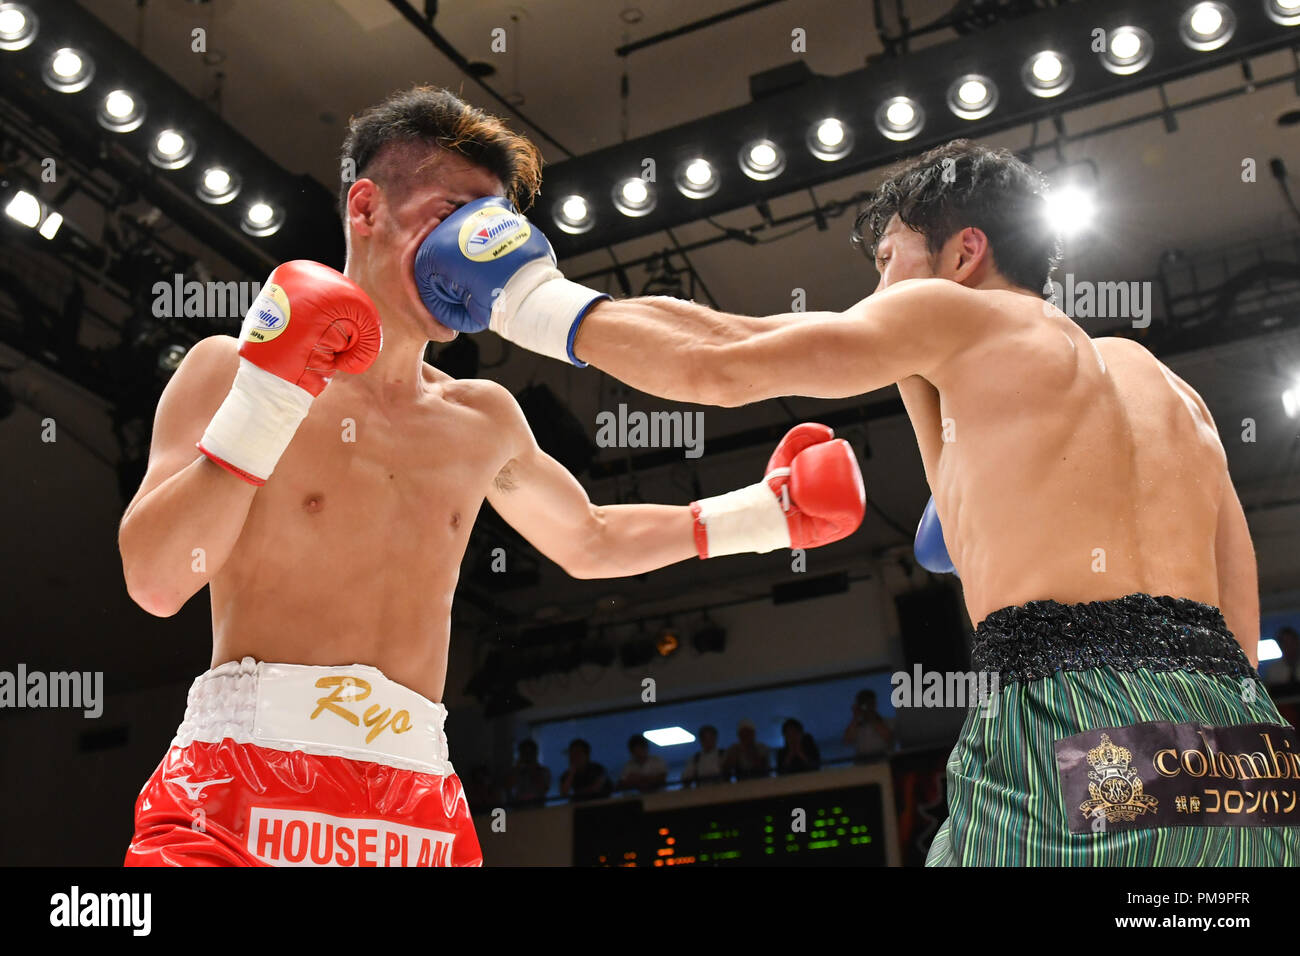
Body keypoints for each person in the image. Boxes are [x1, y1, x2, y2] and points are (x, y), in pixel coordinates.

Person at [425, 137, 1300, 864]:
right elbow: (1238, 613)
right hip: (1245, 750)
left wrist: (530, 303)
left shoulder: (959, 320)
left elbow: (726, 359)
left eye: (889, 263)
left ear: (965, 253)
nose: (877, 296)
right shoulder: (1170, 390)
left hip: (1076, 724)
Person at [117, 86, 865, 867]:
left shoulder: (482, 417)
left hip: (412, 797)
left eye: (493, 222)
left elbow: (591, 539)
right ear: (366, 209)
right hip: (241, 783)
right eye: (449, 214)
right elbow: (159, 581)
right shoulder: (229, 371)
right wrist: (266, 401)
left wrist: (766, 517)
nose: (476, 242)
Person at [842, 689, 894, 761]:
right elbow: (847, 741)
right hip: (862, 763)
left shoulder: (887, 722)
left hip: (883, 761)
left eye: (870, 703)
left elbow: (889, 738)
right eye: (863, 704)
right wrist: (855, 718)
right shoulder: (855, 725)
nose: (866, 707)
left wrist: (871, 716)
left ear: (875, 704)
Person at [506, 739, 552, 808]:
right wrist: (518, 767)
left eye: (530, 753)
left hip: (537, 808)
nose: (528, 756)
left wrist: (533, 769)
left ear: (535, 754)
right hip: (519, 809)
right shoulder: (515, 771)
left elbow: (544, 789)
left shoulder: (544, 771)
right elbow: (508, 786)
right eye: (524, 753)